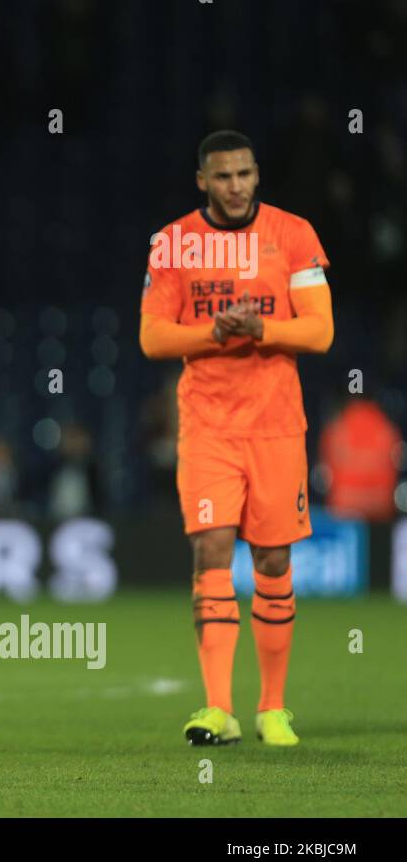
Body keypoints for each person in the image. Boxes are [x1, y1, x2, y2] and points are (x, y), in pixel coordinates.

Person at [140, 130, 334, 748]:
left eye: (245, 174)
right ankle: (218, 709)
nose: (235, 186)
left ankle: (272, 707)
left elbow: (321, 332)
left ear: (257, 175)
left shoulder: (293, 234)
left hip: (277, 426)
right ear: (202, 180)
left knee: (274, 561)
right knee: (211, 552)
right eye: (222, 176)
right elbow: (153, 339)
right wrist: (215, 336)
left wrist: (262, 328)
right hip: (208, 426)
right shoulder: (173, 243)